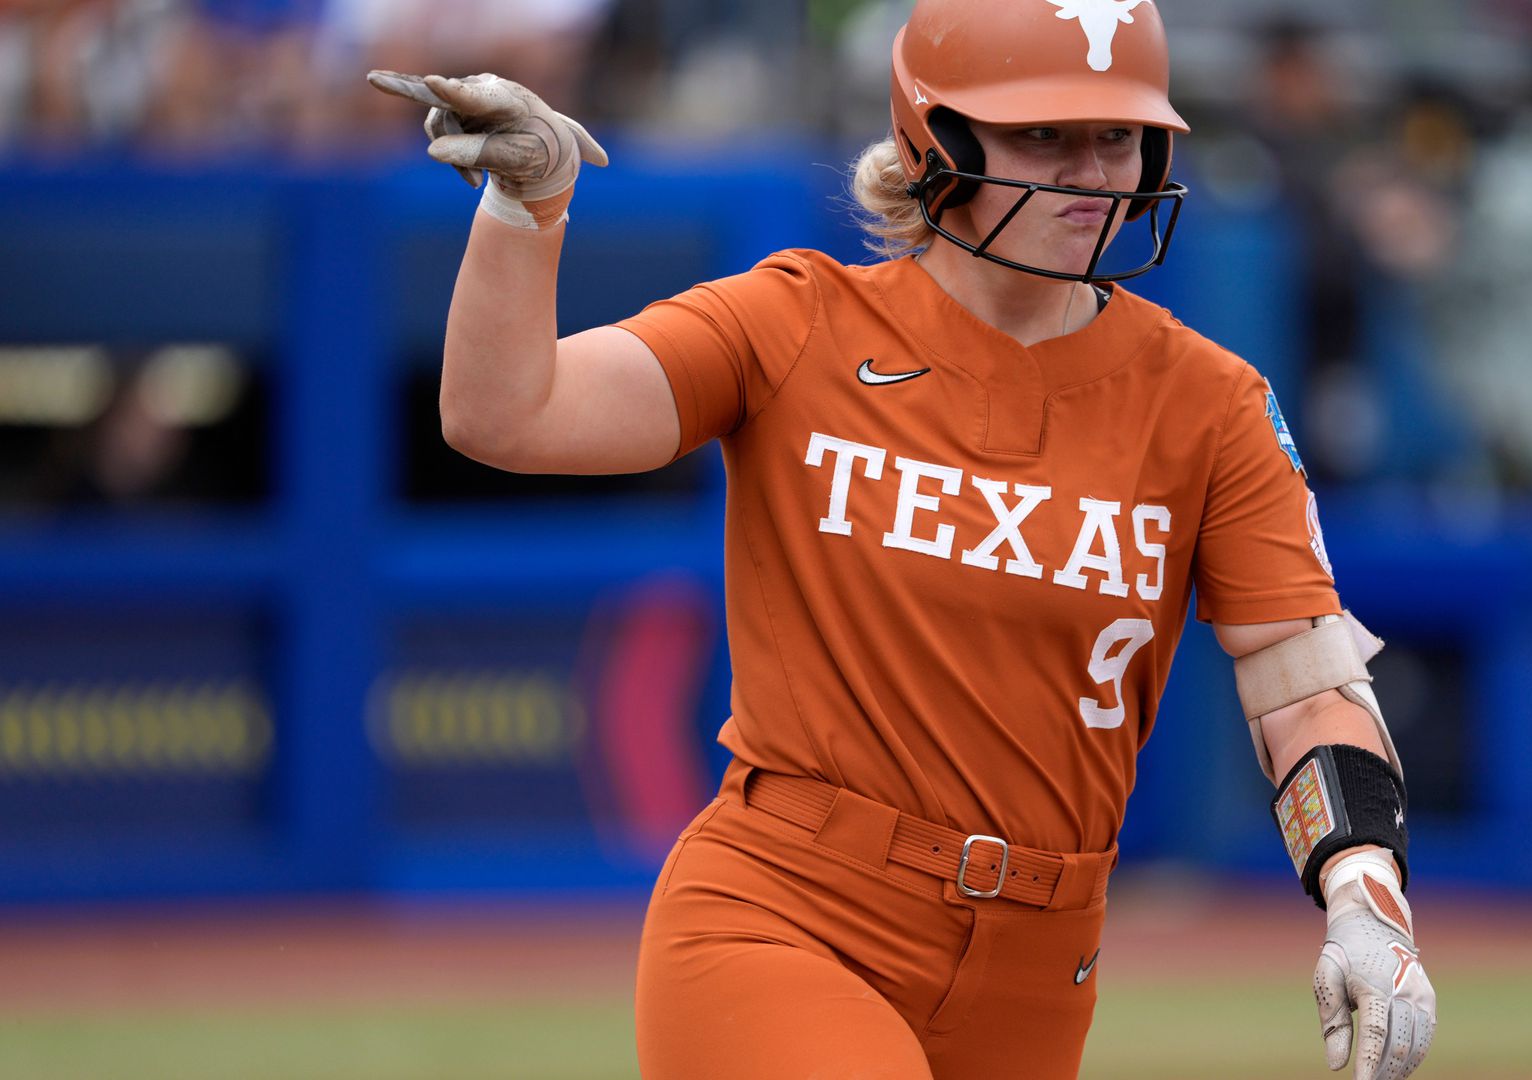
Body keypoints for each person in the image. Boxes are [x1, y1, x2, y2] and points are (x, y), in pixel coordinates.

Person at [370, 1, 1435, 1076]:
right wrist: (525, 208)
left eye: (1118, 135)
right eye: (1043, 134)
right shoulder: (797, 322)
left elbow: (1305, 687)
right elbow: (507, 415)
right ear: (936, 140)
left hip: (1043, 963)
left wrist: (1366, 898)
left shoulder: (1213, 403)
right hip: (789, 910)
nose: (1092, 174)